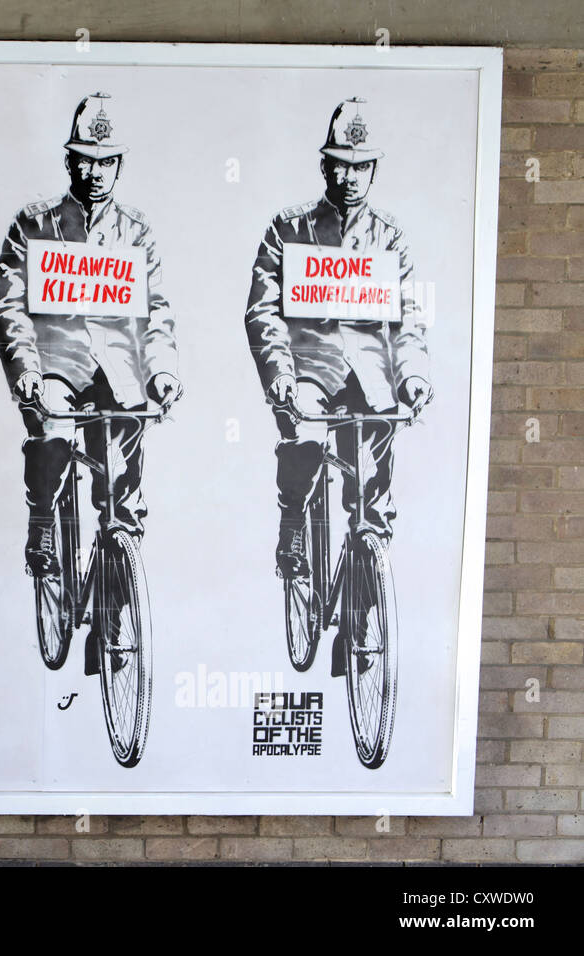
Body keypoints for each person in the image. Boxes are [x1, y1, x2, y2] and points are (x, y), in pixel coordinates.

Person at [244, 97, 432, 673]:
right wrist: (282, 377)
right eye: (339, 165)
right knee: (302, 445)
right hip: (308, 376)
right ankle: (293, 530)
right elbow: (263, 313)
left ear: (374, 169)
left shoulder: (391, 238)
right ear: (324, 166)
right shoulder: (289, 228)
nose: (349, 177)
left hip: (371, 384)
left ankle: (366, 609)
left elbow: (409, 320)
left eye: (361, 166)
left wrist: (416, 376)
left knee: (373, 504)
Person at [0, 92, 182, 582]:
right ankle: (42, 522)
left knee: (123, 492)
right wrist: (26, 371)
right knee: (53, 435)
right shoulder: (33, 224)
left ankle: (119, 607)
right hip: (56, 364)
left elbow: (155, 313)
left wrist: (162, 370)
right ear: (69, 161)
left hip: (119, 371)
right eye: (86, 161)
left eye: (107, 163)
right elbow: (8, 306)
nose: (96, 173)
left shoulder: (136, 232)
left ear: (119, 166)